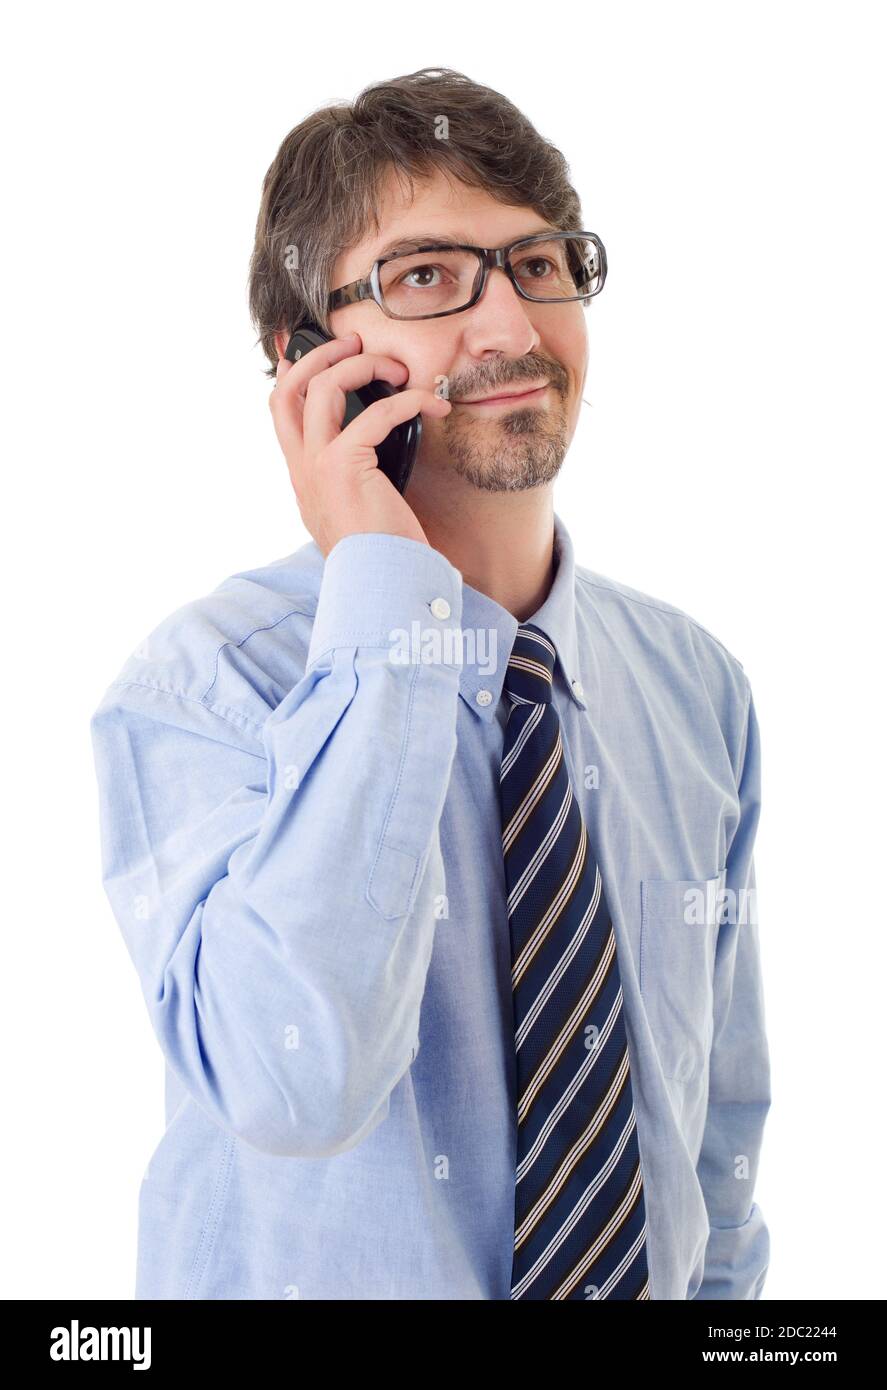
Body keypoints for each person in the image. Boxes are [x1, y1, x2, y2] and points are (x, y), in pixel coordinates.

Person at [89, 67, 771, 1301]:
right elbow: (298, 1084)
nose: (510, 328)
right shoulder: (204, 686)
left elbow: (713, 1139)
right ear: (307, 360)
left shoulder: (694, 686)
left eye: (539, 263)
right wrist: (387, 611)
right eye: (425, 277)